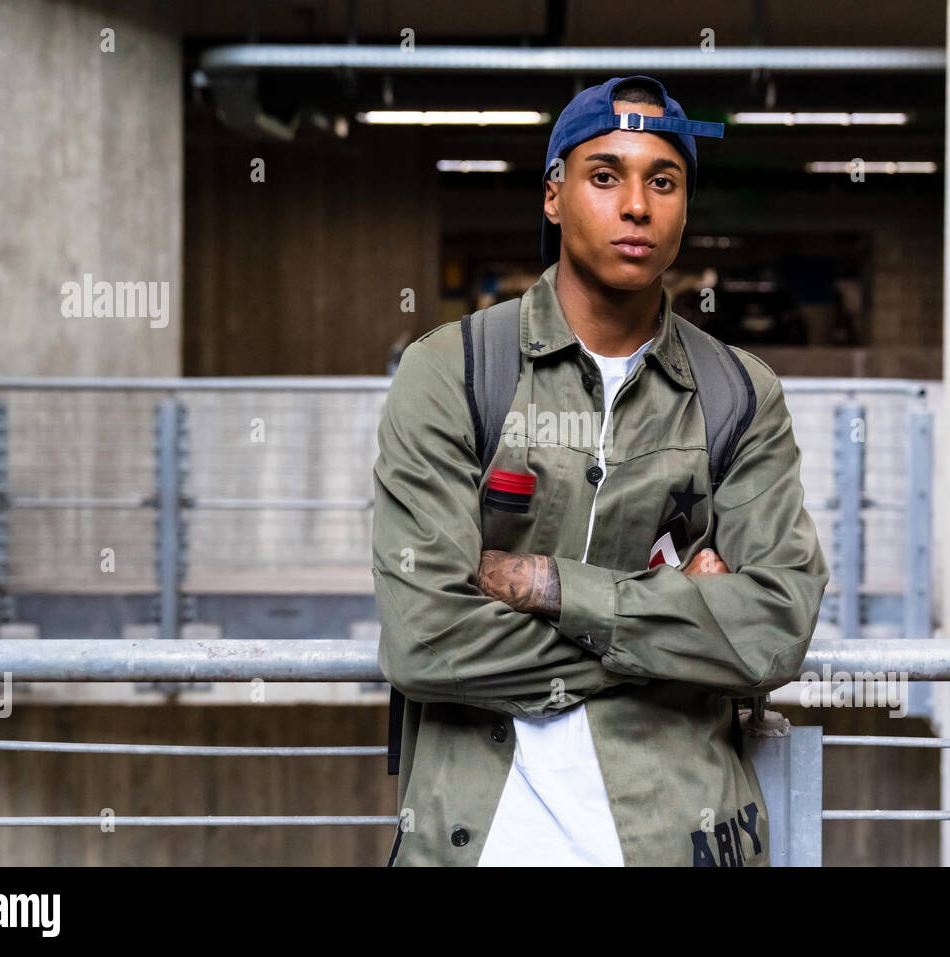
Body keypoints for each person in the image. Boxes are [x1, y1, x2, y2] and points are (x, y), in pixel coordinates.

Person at [372, 74, 828, 866]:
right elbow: (425, 638)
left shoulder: (737, 395)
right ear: (555, 197)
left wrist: (551, 586)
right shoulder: (454, 371)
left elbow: (776, 627)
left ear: (685, 204)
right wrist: (680, 629)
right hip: (479, 838)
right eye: (605, 176)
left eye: (664, 180)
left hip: (678, 835)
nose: (637, 206)